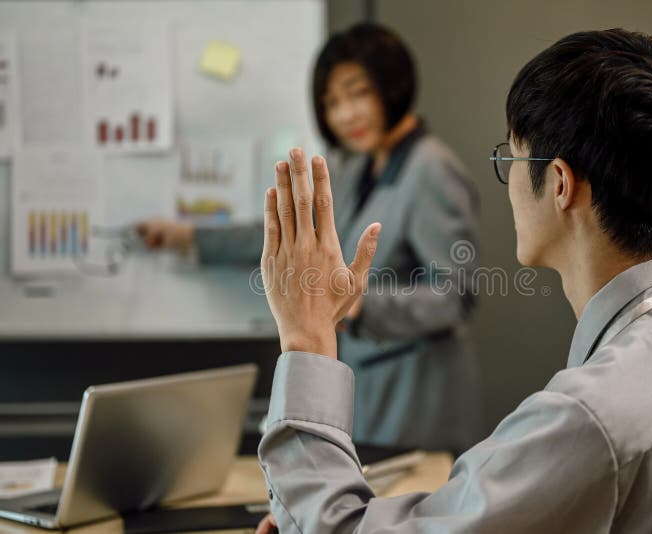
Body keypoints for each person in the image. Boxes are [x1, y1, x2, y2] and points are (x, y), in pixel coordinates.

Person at [254, 29, 652, 533]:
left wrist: (307, 339)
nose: (509, 179)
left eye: (511, 157)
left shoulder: (587, 420)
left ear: (559, 183)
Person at [138, 24, 482, 454]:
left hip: (415, 402)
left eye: (358, 94)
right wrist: (189, 236)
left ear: (393, 85)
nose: (345, 115)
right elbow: (290, 237)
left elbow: (454, 297)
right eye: (331, 103)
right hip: (367, 394)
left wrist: (357, 304)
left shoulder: (432, 168)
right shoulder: (358, 167)